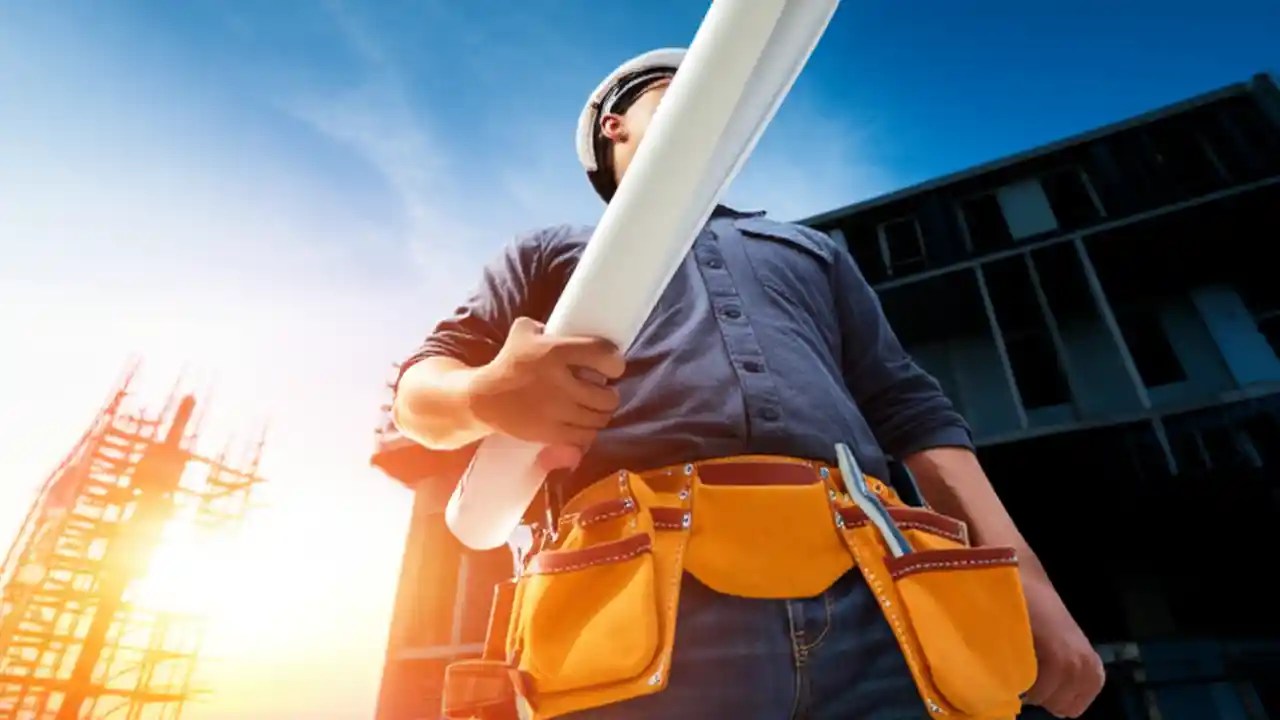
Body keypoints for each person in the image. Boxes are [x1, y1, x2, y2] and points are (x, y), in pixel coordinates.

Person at [394, 48, 1105, 719]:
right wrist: (484, 395)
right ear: (614, 121)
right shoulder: (551, 252)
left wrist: (1028, 585)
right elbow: (419, 395)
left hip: (875, 589)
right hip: (632, 598)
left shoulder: (810, 250)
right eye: (686, 85)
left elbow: (911, 410)